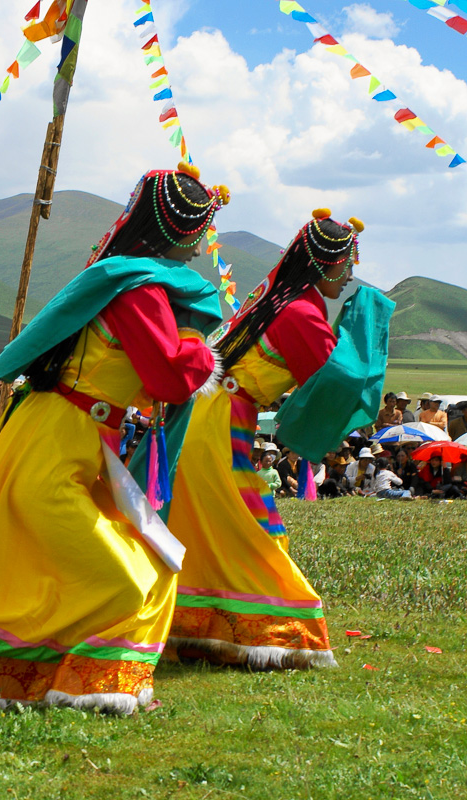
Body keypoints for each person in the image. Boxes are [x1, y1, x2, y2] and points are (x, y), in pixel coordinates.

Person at [0, 165, 228, 714]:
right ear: (182, 231)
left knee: (148, 565)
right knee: (124, 576)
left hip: (77, 440)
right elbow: (168, 377)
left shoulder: (122, 278)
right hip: (56, 445)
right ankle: (87, 685)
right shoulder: (140, 291)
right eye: (203, 229)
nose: (205, 244)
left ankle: (53, 677)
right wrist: (202, 347)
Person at [166, 208, 390, 670]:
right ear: (324, 264)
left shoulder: (278, 299)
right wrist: (368, 321)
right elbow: (339, 380)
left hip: (208, 417)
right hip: (220, 425)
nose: (349, 276)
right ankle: (280, 631)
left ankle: (201, 631)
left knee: (211, 527)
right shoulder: (303, 314)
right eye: (345, 265)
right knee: (255, 527)